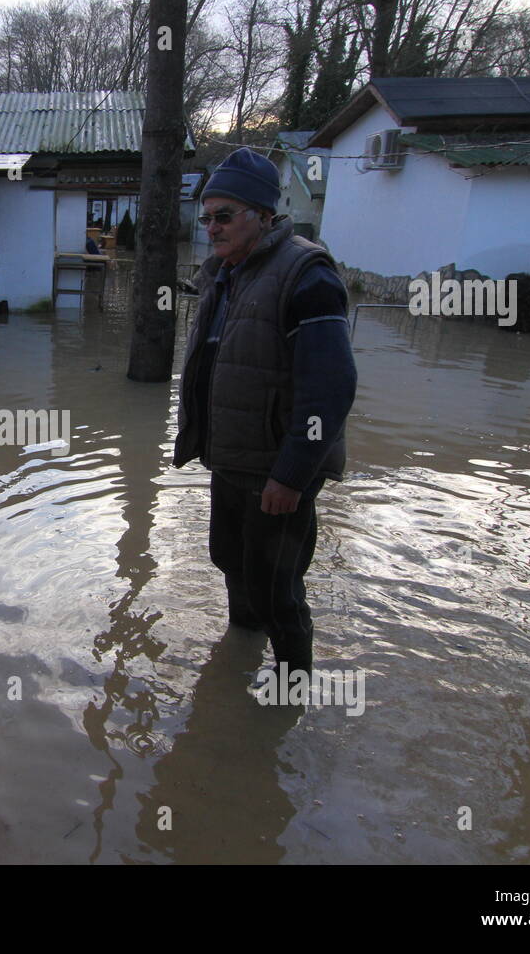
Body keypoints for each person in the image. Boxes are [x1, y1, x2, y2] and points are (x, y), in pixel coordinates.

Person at [173, 147, 357, 680]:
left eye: (225, 215)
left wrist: (292, 474)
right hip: (230, 459)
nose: (212, 227)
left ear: (264, 214)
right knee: (233, 565)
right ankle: (237, 669)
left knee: (277, 588)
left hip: (276, 471)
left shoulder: (306, 272)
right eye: (206, 217)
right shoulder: (225, 275)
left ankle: (286, 700)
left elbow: (331, 386)